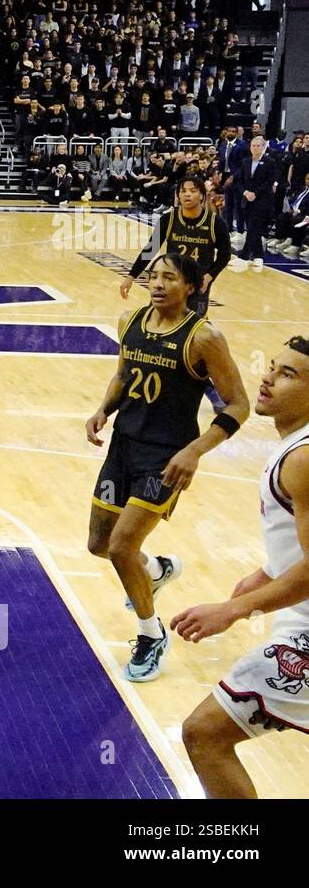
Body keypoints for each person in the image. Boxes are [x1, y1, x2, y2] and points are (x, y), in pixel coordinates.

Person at [85, 253, 249, 682]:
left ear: (190, 287)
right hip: (123, 446)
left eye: (169, 278)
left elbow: (238, 404)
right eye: (153, 277)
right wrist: (104, 409)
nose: (157, 284)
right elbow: (124, 375)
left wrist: (195, 450)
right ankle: (156, 570)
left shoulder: (203, 338)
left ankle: (150, 634)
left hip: (167, 457)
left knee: (121, 547)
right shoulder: (130, 321)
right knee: (99, 545)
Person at [172, 336, 309, 798]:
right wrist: (269, 573)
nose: (267, 377)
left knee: (204, 733)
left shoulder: (304, 458)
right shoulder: (297, 448)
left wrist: (234, 609)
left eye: (289, 374)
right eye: (273, 365)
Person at [121, 175, 231, 316]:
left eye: (193, 191)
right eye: (183, 191)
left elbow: (225, 255)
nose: (187, 194)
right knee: (156, 320)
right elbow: (151, 249)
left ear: (202, 195)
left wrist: (210, 275)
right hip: (170, 280)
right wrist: (131, 276)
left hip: (197, 283)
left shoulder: (215, 222)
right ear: (178, 195)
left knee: (193, 327)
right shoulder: (168, 219)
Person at [232, 135, 278, 269]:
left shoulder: (270, 162)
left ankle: (244, 256)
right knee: (253, 227)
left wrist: (255, 193)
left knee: (253, 226)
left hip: (262, 200)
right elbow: (239, 180)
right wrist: (245, 193)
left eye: (258, 145)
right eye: (253, 145)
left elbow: (268, 182)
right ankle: (258, 256)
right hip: (247, 199)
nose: (255, 148)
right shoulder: (245, 161)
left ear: (263, 147)